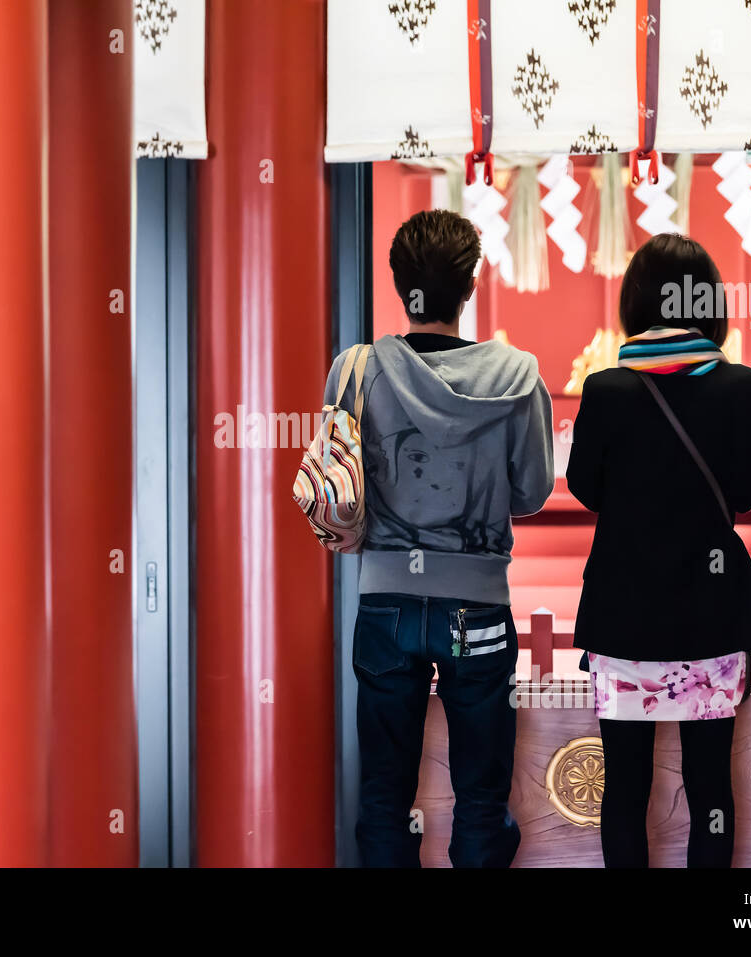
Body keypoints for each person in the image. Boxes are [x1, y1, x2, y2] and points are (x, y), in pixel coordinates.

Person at [325, 209, 554, 867]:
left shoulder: (356, 370)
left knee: (383, 795)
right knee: (481, 798)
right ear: (470, 286)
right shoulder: (516, 375)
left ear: (400, 285)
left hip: (386, 603)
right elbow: (533, 491)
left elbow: (342, 483)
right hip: (475, 606)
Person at [566, 233, 751, 868]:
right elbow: (747, 492)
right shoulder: (741, 386)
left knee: (626, 787)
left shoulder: (604, 389)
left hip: (622, 611)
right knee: (710, 785)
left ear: (635, 304)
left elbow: (584, 489)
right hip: (711, 615)